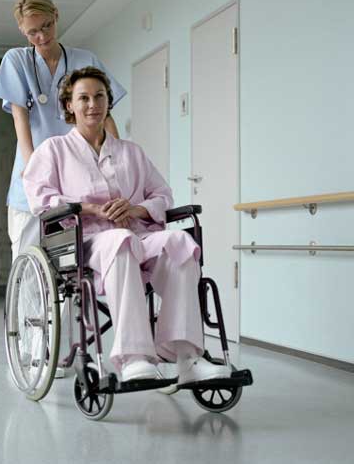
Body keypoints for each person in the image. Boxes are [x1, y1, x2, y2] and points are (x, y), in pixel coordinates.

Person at [22, 67, 231, 383]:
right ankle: (134, 357)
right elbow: (40, 198)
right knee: (119, 240)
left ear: (108, 101)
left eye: (100, 96)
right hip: (84, 240)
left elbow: (162, 194)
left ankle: (186, 356)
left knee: (180, 244)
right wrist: (90, 208)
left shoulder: (131, 152)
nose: (93, 104)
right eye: (84, 98)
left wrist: (136, 208)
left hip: (137, 233)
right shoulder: (54, 150)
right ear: (69, 105)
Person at [0, 0, 126, 262]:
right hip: (32, 177)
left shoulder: (84, 60)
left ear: (56, 15)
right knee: (28, 262)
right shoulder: (16, 60)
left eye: (46, 26)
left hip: (78, 175)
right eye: (32, 33)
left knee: (73, 265)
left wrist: (119, 164)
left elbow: (105, 117)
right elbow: (21, 118)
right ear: (22, 31)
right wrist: (34, 171)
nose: (41, 37)